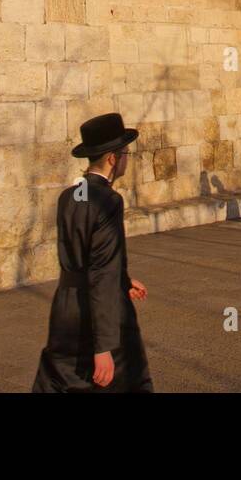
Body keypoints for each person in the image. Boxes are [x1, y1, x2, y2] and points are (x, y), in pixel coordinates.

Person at [33, 113, 153, 393]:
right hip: (100, 312)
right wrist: (104, 346)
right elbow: (101, 270)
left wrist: (124, 280)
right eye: (124, 154)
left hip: (65, 308)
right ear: (112, 158)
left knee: (63, 382)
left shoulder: (69, 196)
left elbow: (85, 254)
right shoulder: (109, 200)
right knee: (129, 383)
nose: (126, 159)